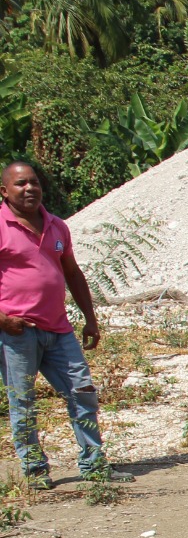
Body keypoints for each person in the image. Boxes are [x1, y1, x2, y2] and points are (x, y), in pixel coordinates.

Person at [0, 160, 134, 490]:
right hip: (16, 331)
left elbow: (72, 272)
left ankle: (94, 464)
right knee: (23, 402)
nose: (29, 188)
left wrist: (90, 319)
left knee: (82, 392)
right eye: (20, 184)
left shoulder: (57, 225)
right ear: (4, 191)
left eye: (34, 182)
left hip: (58, 329)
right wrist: (3, 319)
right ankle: (34, 471)